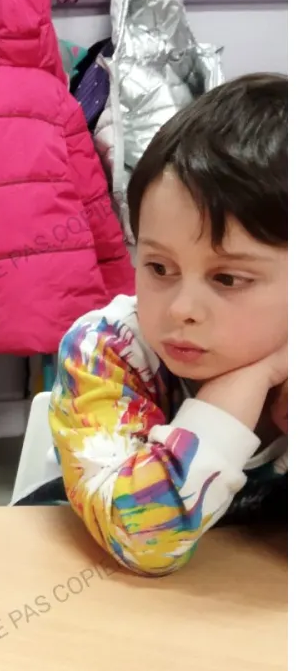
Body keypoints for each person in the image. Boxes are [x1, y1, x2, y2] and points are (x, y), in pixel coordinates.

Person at [38, 72, 287, 574]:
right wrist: (248, 383)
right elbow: (143, 541)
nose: (180, 308)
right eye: (158, 267)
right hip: (94, 592)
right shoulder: (108, 349)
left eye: (228, 278)